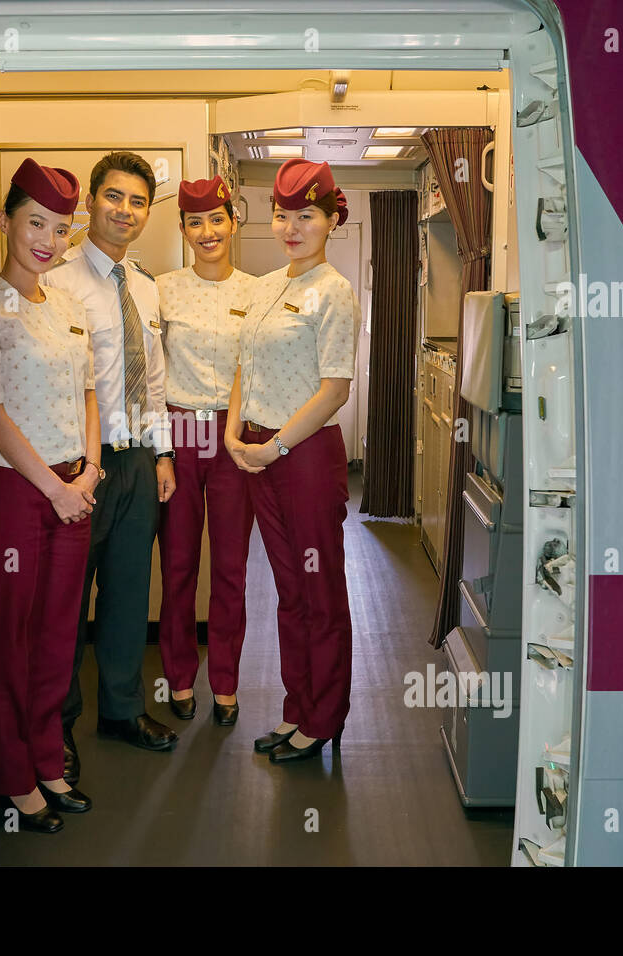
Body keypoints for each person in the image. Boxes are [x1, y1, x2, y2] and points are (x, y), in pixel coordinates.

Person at [0, 158, 101, 832]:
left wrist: (92, 472)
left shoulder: (71, 308)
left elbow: (89, 394)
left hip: (73, 490)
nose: (47, 239)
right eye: (35, 222)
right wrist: (54, 489)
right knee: (12, 641)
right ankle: (10, 777)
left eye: (60, 228)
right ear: (8, 222)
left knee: (57, 637)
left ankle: (49, 760)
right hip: (20, 493)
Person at [43, 150, 179, 782]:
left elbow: (151, 380)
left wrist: (164, 452)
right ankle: (58, 729)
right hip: (79, 467)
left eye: (138, 201)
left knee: (127, 596)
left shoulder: (146, 288)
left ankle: (121, 711)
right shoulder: (58, 283)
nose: (125, 211)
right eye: (114, 197)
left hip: (136, 465)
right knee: (67, 603)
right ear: (89, 201)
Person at [224, 158, 361, 763]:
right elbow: (243, 366)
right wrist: (233, 435)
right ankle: (296, 708)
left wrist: (274, 446)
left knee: (319, 589)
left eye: (306, 215)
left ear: (331, 220)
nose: (291, 227)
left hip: (302, 455)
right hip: (256, 451)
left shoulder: (334, 292)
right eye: (282, 215)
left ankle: (323, 716)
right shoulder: (265, 285)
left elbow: (335, 389)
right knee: (287, 590)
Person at [155, 175, 257, 726]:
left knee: (231, 566)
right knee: (177, 564)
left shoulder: (257, 292)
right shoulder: (163, 289)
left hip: (231, 430)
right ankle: (176, 676)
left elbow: (256, 372)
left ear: (233, 222)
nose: (208, 231)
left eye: (217, 219)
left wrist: (240, 435)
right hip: (180, 427)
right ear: (184, 230)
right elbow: (149, 374)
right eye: (196, 222)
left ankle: (225, 682)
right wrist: (161, 451)